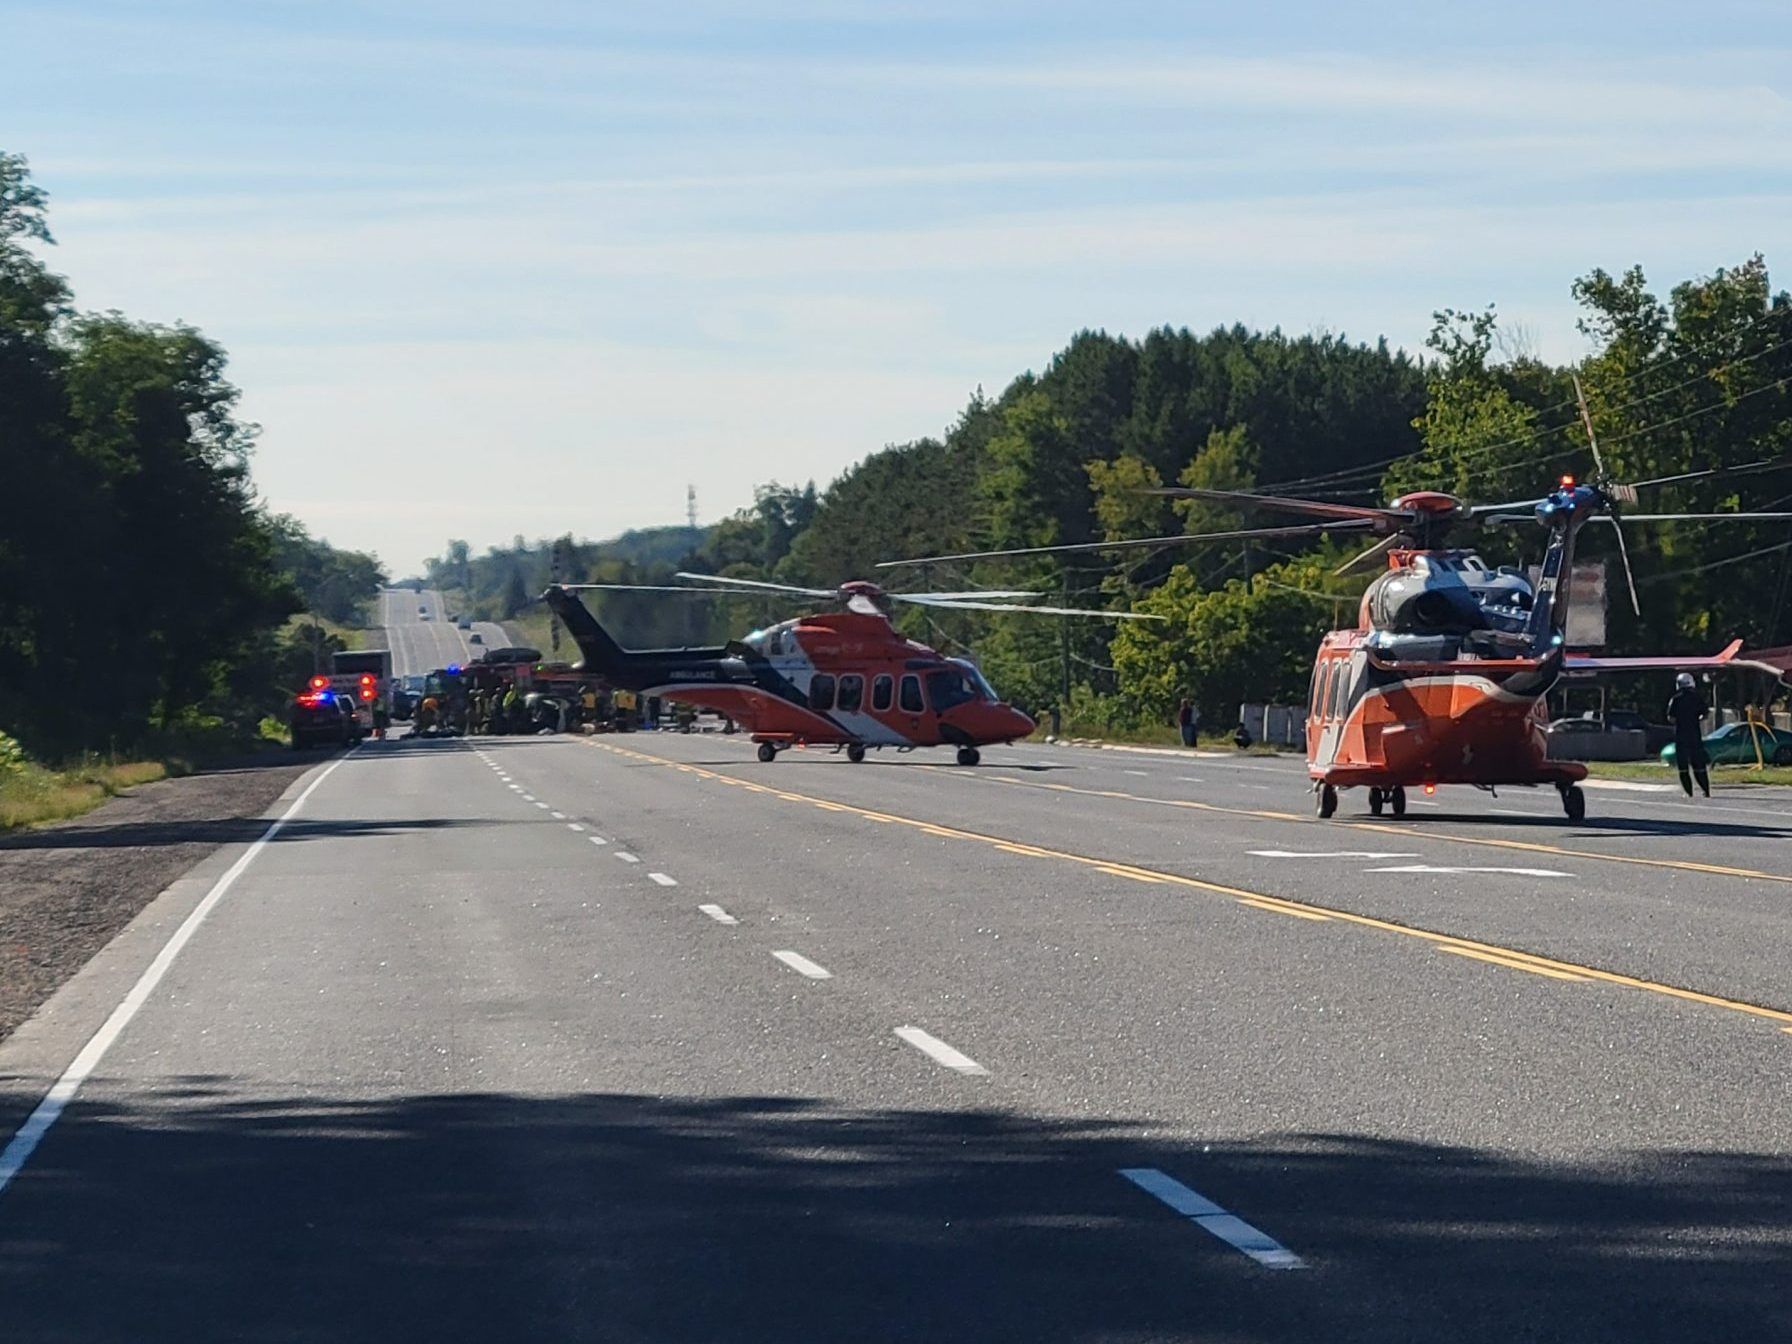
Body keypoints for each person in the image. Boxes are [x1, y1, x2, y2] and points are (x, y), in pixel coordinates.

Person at [1667, 672, 1711, 798]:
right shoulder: (1697, 697)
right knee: (1699, 764)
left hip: (1681, 735)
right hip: (1695, 734)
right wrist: (1696, 719)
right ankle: (1705, 790)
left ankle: (1688, 791)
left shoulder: (1675, 698)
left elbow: (1671, 717)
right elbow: (1705, 714)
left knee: (1683, 766)